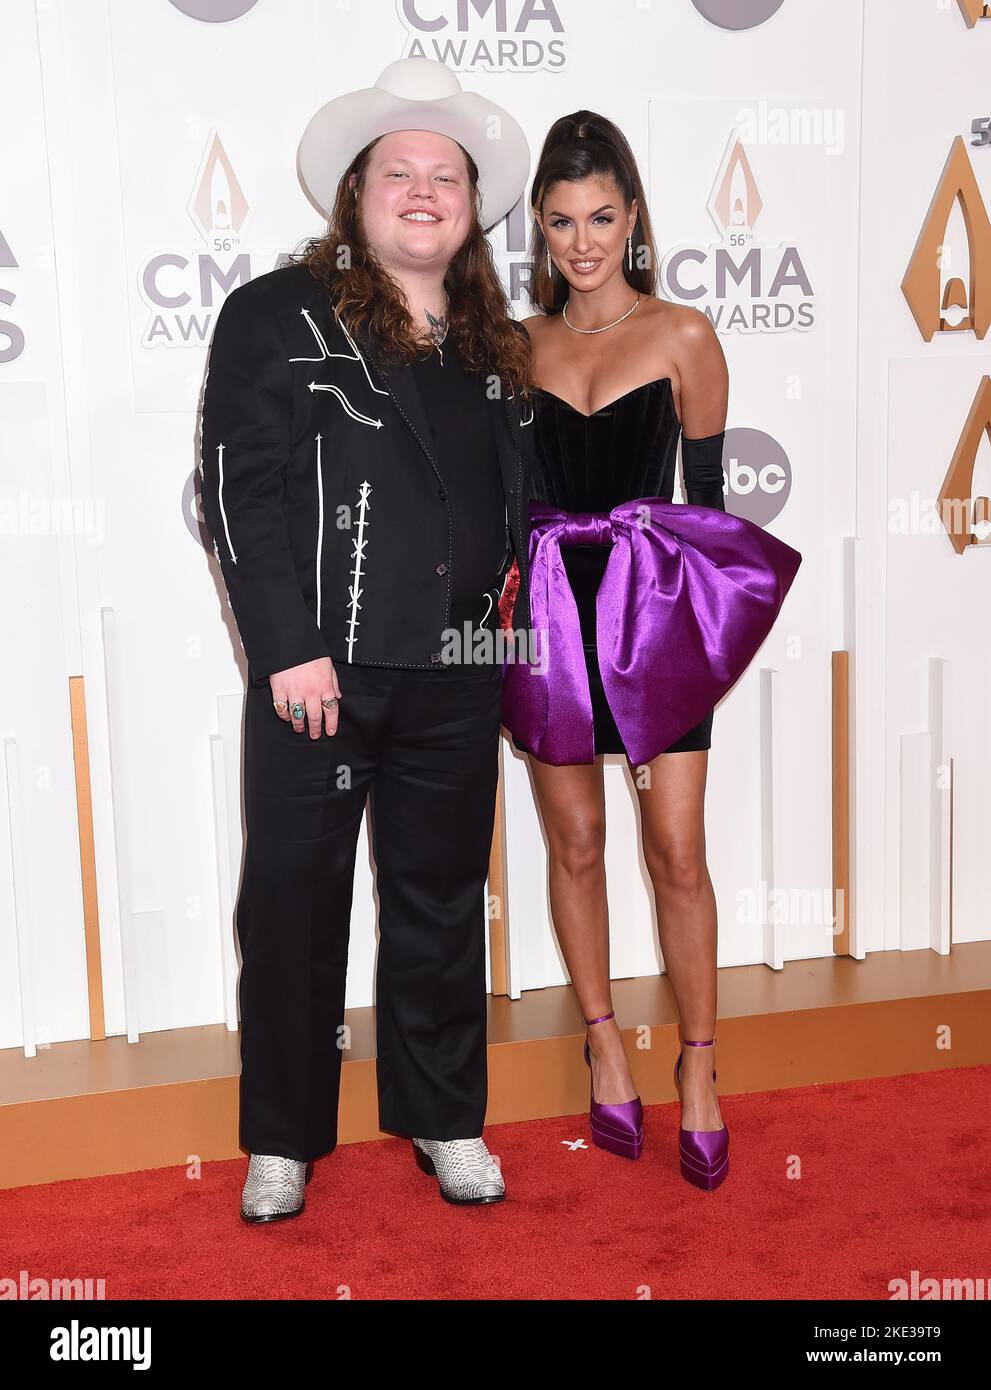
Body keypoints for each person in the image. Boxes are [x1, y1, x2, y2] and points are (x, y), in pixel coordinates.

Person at [199, 57, 535, 1221]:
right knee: (293, 901)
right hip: (318, 677)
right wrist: (287, 646)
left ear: (471, 205)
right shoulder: (274, 316)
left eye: (448, 174)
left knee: (441, 900)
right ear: (354, 197)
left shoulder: (494, 341)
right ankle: (284, 1137)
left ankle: (445, 1118)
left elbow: (509, 504)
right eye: (399, 170)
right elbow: (243, 492)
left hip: (456, 676)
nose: (425, 189)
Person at [499, 112, 800, 1190]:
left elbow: (708, 512)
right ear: (539, 222)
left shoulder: (683, 336)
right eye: (563, 219)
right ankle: (604, 1038)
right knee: (574, 843)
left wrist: (703, 644)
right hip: (547, 613)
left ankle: (702, 1067)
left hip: (649, 613)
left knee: (676, 848)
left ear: (632, 217)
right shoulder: (512, 344)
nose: (584, 241)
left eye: (603, 217)